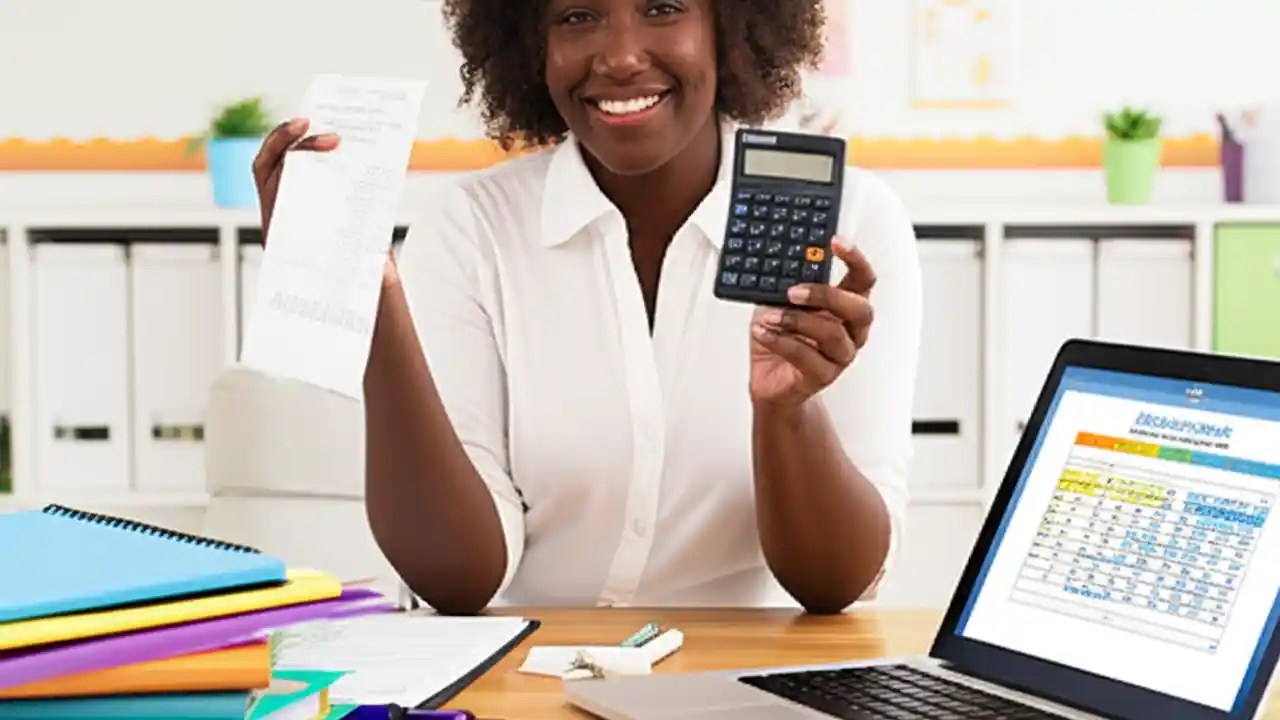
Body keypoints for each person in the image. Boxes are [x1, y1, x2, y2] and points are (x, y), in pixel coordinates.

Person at [251, 0, 921, 615]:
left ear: (730, 28)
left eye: (661, 8)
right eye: (576, 16)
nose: (621, 55)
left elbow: (839, 582)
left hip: (741, 681)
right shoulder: (471, 225)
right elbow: (457, 576)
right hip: (520, 678)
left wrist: (788, 411)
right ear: (529, 40)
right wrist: (372, 300)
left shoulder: (853, 221)